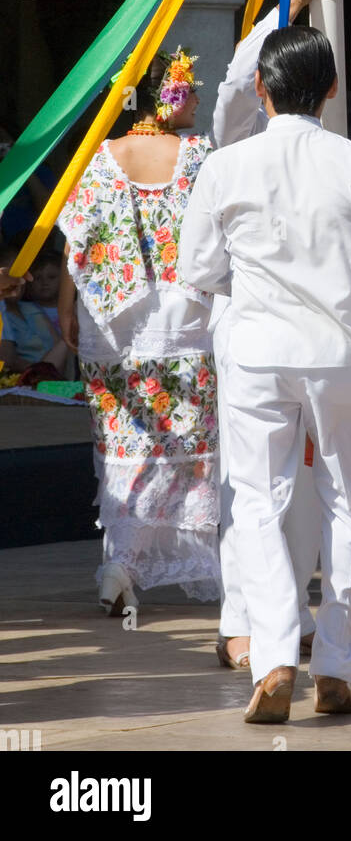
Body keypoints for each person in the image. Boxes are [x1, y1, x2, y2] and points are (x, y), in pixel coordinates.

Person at [179, 25, 351, 724]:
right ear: (328, 91)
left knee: (258, 504)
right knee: (349, 504)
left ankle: (272, 658)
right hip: (343, 353)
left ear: (260, 89)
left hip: (258, 351)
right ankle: (333, 663)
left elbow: (198, 272)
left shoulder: (223, 166)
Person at [57, 47, 219, 613]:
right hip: (183, 321)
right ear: (170, 98)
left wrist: (67, 309)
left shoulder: (102, 157)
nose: (198, 98)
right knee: (187, 449)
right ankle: (126, 563)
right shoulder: (198, 156)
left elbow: (77, 241)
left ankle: (120, 564)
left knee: (127, 448)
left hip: (112, 324)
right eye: (192, 89)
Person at [209, 0, 335, 672]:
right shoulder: (235, 144)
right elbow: (231, 91)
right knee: (252, 485)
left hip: (323, 338)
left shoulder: (340, 150)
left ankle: (289, 614)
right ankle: (242, 623)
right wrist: (280, 13)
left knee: (307, 490)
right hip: (252, 331)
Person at [0, 248, 71, 378]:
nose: (17, 281)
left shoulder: (31, 309)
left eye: (21, 274)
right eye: (9, 275)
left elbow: (58, 344)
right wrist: (36, 373)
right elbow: (8, 360)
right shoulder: (3, 312)